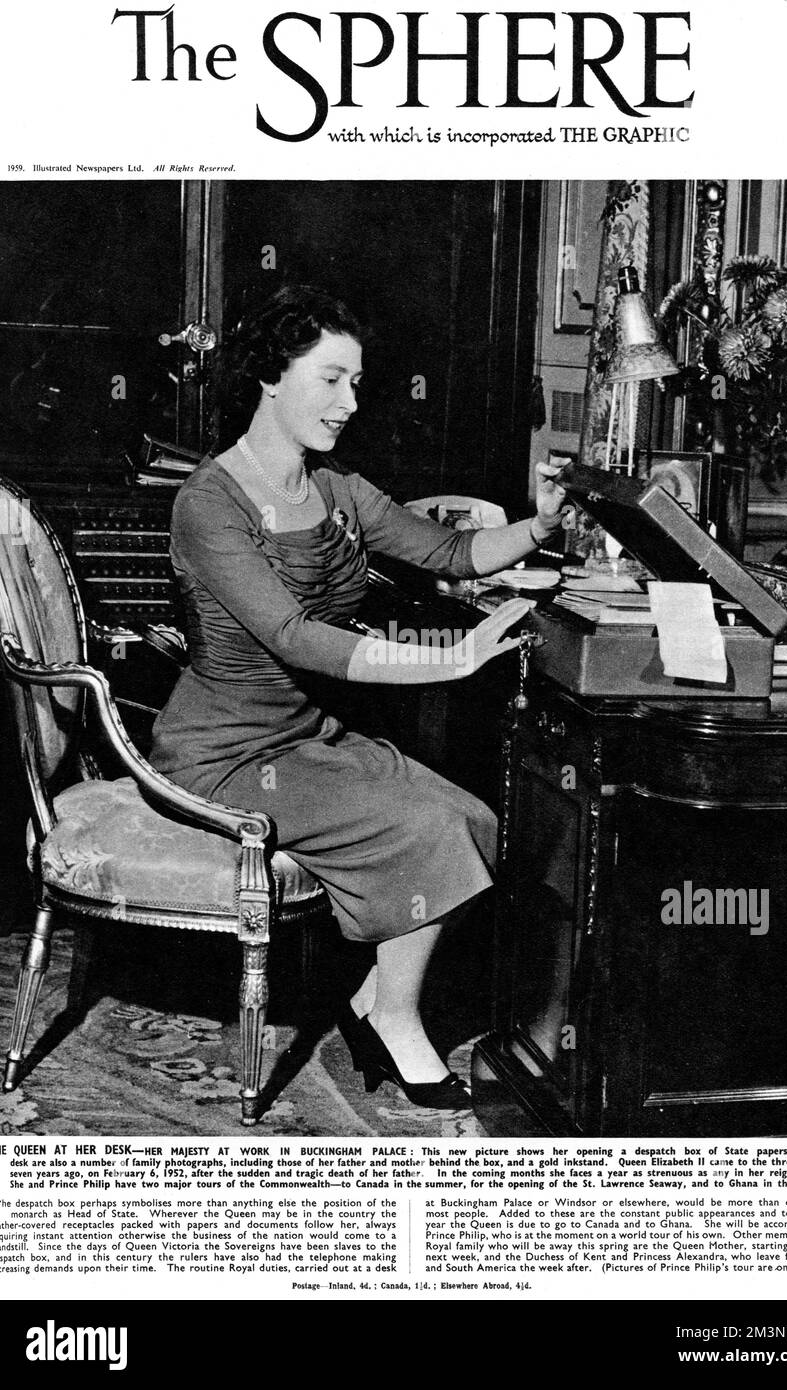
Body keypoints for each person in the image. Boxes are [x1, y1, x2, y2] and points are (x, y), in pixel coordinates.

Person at [151, 284, 569, 1111]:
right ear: (271, 377)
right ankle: (397, 1021)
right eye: (331, 379)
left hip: (307, 736)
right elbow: (294, 636)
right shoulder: (208, 501)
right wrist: (449, 659)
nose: (348, 403)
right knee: (429, 828)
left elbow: (447, 550)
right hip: (224, 752)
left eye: (356, 384)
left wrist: (540, 526)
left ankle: (376, 999)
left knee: (476, 819)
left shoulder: (334, 487)